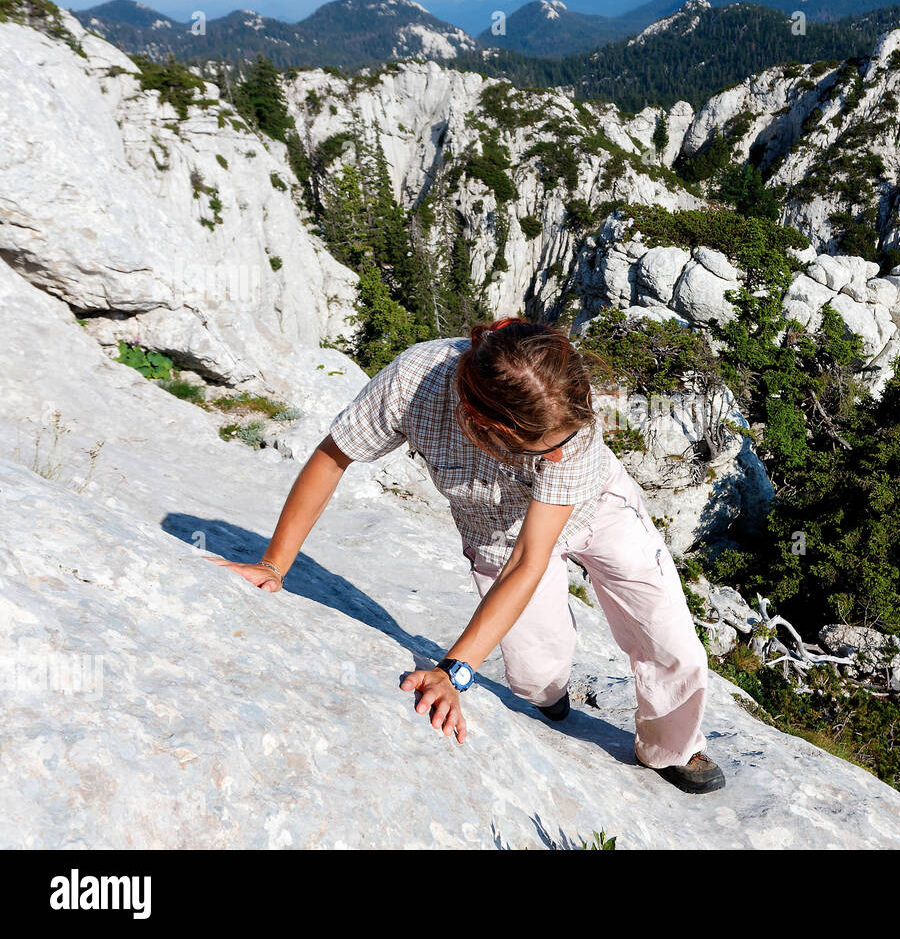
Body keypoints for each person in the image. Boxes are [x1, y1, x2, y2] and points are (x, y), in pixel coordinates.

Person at [212, 316, 725, 794]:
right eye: (542, 449)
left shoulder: (569, 425)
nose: (558, 454)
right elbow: (333, 455)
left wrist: (454, 669)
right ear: (479, 424)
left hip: (598, 510)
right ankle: (553, 692)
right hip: (499, 536)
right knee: (534, 676)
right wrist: (274, 563)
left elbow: (534, 554)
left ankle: (672, 748)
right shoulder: (414, 383)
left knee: (669, 638)